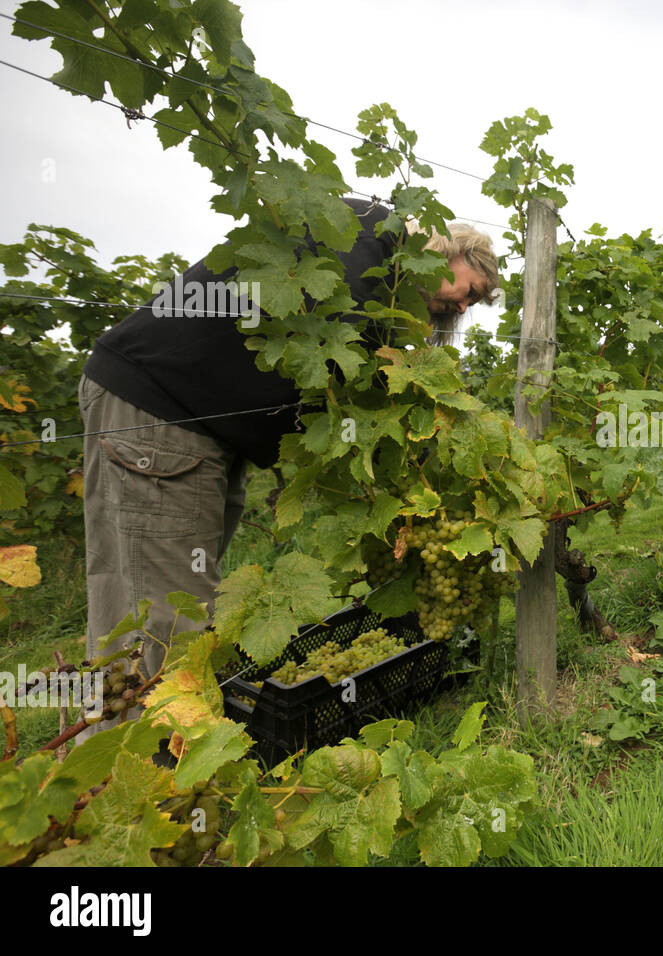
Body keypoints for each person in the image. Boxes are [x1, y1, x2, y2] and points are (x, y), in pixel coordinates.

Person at [76, 197, 498, 737]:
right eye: (472, 292)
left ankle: (161, 762)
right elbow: (333, 373)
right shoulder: (365, 241)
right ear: (455, 250)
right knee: (157, 618)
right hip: (157, 418)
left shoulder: (376, 275)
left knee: (182, 598)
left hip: (197, 431)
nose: (464, 310)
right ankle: (137, 783)